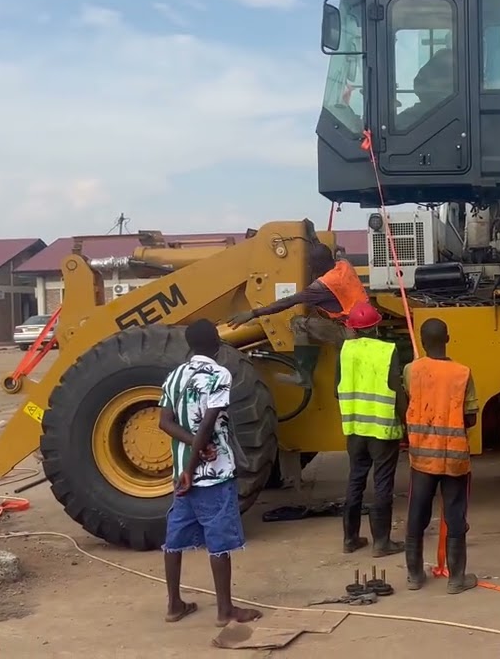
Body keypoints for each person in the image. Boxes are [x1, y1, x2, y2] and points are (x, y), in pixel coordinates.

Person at [157, 319, 262, 628]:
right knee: (219, 540)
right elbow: (210, 420)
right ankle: (225, 610)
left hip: (181, 473)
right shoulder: (219, 374)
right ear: (217, 343)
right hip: (213, 473)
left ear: (190, 345)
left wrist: (190, 449)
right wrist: (197, 458)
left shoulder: (174, 376)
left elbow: (164, 422)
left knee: (174, 539)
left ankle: (174, 604)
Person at [400, 317, 479, 594]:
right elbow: (470, 417)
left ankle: (414, 576)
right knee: (455, 514)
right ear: (447, 338)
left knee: (417, 511)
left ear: (422, 341)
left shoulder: (412, 370)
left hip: (422, 457)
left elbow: (407, 403)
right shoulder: (463, 373)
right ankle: (456, 579)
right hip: (454, 457)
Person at [227, 241, 367, 387]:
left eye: (311, 264)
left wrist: (253, 313)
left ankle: (303, 375)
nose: (309, 267)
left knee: (298, 323)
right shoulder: (344, 265)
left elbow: (289, 301)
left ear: (317, 265)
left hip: (350, 332)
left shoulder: (323, 285)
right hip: (364, 324)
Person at [335, 301, 405, 557]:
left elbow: (337, 389)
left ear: (353, 329)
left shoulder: (345, 351)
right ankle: (382, 542)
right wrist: (407, 420)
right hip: (383, 429)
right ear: (377, 326)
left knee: (356, 478)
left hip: (355, 428)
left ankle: (350, 539)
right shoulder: (387, 351)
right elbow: (396, 390)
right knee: (382, 482)